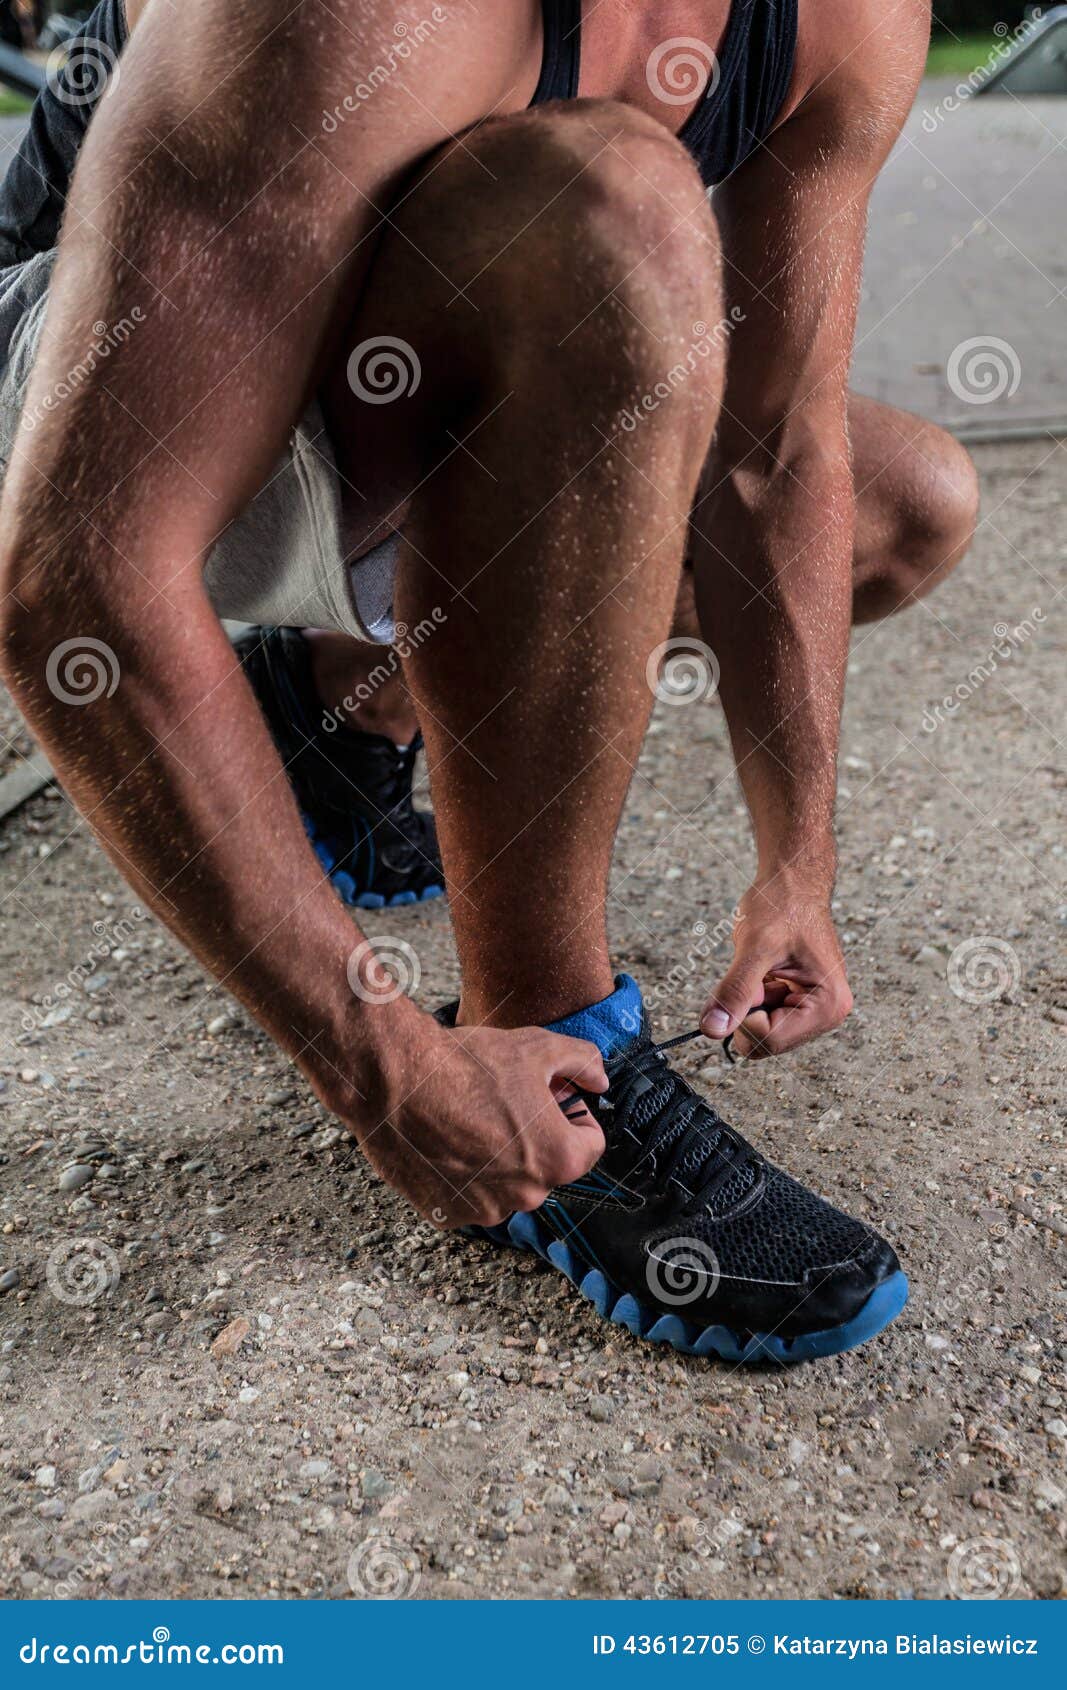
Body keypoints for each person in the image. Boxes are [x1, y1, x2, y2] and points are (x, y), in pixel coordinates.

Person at [0, 0, 978, 1361]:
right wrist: (387, 1068)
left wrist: (795, 861)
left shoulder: (853, 18)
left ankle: (335, 716)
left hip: (368, 398)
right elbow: (70, 577)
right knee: (613, 217)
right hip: (82, 377)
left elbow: (777, 449)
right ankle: (548, 1022)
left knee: (905, 500)